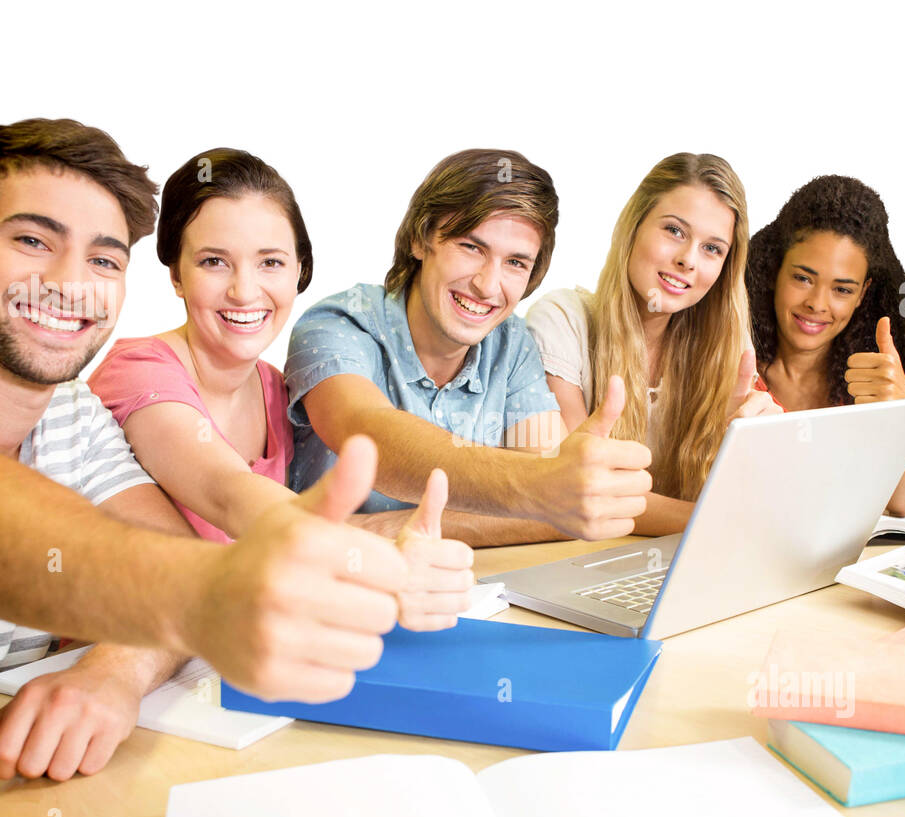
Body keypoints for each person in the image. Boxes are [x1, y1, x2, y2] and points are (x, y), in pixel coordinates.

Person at [0, 120, 409, 817]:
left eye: (104, 258)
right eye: (32, 242)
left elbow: (168, 550)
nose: (71, 282)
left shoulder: (75, 417)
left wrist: (112, 671)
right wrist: (204, 597)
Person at [89, 149, 473, 629]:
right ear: (176, 276)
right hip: (119, 653)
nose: (245, 291)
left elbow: (282, 537)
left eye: (270, 262)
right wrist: (376, 567)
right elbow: (229, 494)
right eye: (214, 262)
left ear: (299, 271)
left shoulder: (276, 390)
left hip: (219, 648)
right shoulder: (138, 370)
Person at [285, 148, 653, 547]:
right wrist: (540, 488)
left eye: (515, 263)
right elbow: (373, 441)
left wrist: (392, 528)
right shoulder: (338, 324)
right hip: (325, 586)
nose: (487, 285)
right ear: (420, 240)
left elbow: (557, 512)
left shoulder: (512, 345)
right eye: (471, 247)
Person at [525, 153, 779, 535]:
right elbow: (586, 491)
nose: (688, 260)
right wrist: (723, 522)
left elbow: (754, 498)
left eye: (712, 249)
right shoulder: (562, 321)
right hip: (583, 560)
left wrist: (754, 452)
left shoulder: (727, 347)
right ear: (633, 226)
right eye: (675, 231)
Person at [746, 175, 905, 516]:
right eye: (803, 278)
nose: (818, 304)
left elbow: (902, 503)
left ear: (863, 293)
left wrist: (903, 414)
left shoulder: (881, 375)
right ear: (775, 270)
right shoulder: (730, 362)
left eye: (842, 289)